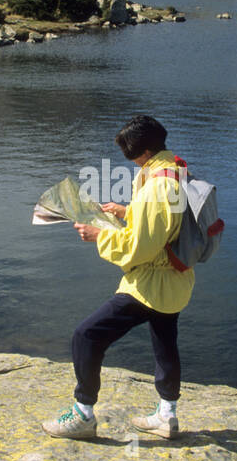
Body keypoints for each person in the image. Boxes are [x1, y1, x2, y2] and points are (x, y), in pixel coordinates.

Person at [42, 114, 194, 441]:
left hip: (151, 285)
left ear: (143, 153)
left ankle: (83, 414)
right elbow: (166, 223)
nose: (129, 162)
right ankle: (167, 415)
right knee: (165, 341)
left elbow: (139, 248)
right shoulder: (175, 169)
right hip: (175, 282)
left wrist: (99, 235)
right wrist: (126, 212)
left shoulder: (159, 185)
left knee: (86, 336)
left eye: (130, 155)